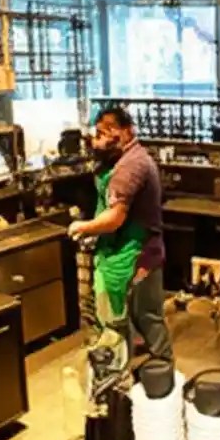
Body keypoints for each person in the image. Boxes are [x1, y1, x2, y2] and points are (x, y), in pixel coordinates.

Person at [68, 107, 173, 360]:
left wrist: (82, 227)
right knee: (123, 321)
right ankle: (122, 374)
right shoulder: (120, 160)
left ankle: (163, 371)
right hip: (120, 251)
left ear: (125, 132)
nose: (97, 140)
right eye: (97, 133)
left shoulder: (131, 166)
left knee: (146, 317)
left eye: (104, 133)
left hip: (137, 255)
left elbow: (115, 218)